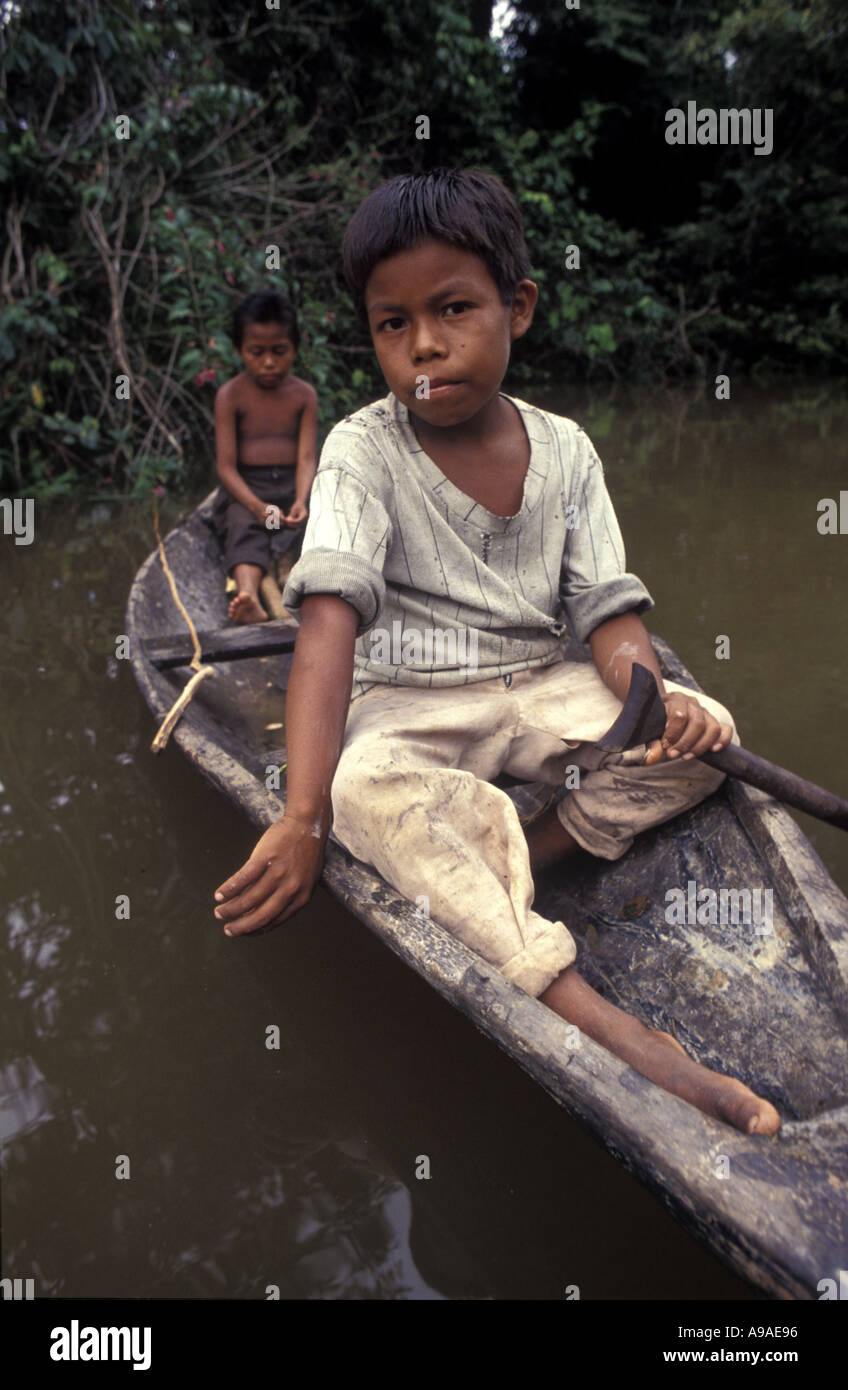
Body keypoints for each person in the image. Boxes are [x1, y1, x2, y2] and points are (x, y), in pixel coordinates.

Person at [212, 170, 780, 1136]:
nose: (424, 344)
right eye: (393, 324)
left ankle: (526, 846)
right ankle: (602, 1022)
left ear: (517, 308)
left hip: (539, 681)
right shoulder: (360, 450)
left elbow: (607, 613)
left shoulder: (566, 452)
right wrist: (303, 815)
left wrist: (653, 699)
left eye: (454, 309)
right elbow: (327, 629)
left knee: (709, 741)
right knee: (365, 794)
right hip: (409, 701)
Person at [211, 290, 318, 623]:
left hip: (291, 486)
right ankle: (248, 595)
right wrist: (258, 508)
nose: (269, 362)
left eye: (279, 351)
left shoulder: (304, 396)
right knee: (243, 528)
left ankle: (303, 581)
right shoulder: (230, 396)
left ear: (295, 349)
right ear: (241, 351)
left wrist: (301, 499)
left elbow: (305, 458)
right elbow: (226, 468)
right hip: (248, 490)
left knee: (325, 514)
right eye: (257, 352)